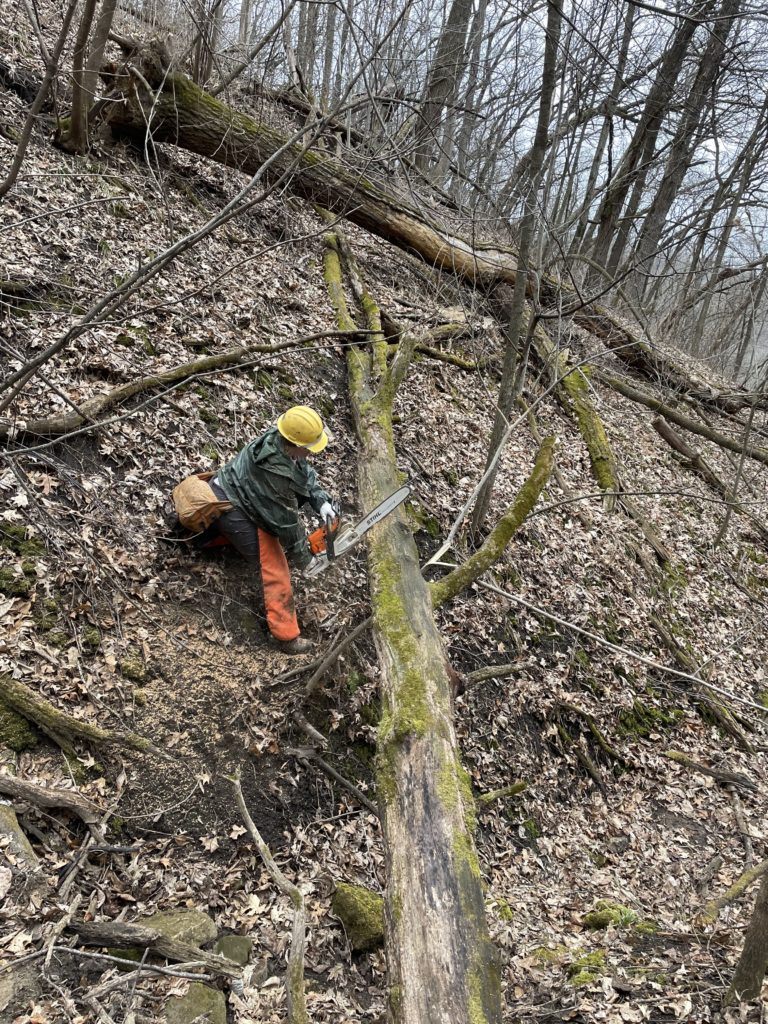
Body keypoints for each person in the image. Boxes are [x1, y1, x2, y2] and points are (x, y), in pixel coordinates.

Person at [208, 406, 336, 655]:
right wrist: (304, 559)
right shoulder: (274, 472)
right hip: (232, 505)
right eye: (308, 448)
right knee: (276, 567)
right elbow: (285, 521)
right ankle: (285, 637)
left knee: (279, 546)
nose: (310, 452)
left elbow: (304, 474)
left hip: (240, 490)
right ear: (294, 443)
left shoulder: (283, 440)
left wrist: (322, 502)